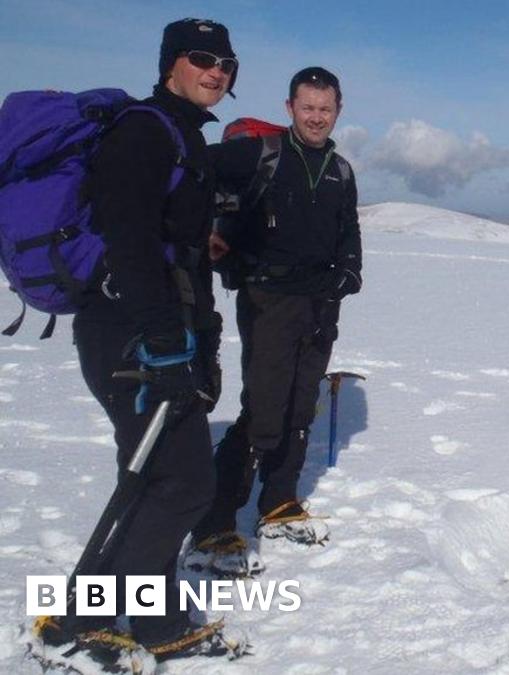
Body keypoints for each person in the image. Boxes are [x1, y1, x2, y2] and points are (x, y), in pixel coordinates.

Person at [34, 18, 244, 664]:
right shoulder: (145, 132)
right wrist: (163, 343)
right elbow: (127, 242)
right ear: (170, 65)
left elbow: (164, 243)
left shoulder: (180, 135)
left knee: (156, 476)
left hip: (159, 331)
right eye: (202, 58)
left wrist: (195, 338)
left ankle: (111, 617)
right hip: (130, 333)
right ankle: (113, 624)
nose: (217, 71)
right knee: (181, 482)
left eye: (226, 62)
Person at [189, 66, 361, 572]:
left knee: (301, 404)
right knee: (263, 409)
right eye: (307, 107)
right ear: (290, 108)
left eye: (325, 108)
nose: (316, 117)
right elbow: (196, 170)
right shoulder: (259, 153)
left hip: (320, 301)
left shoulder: (340, 169)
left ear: (338, 110)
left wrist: (350, 270)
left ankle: (278, 501)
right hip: (269, 299)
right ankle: (216, 521)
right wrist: (208, 235)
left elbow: (347, 227)